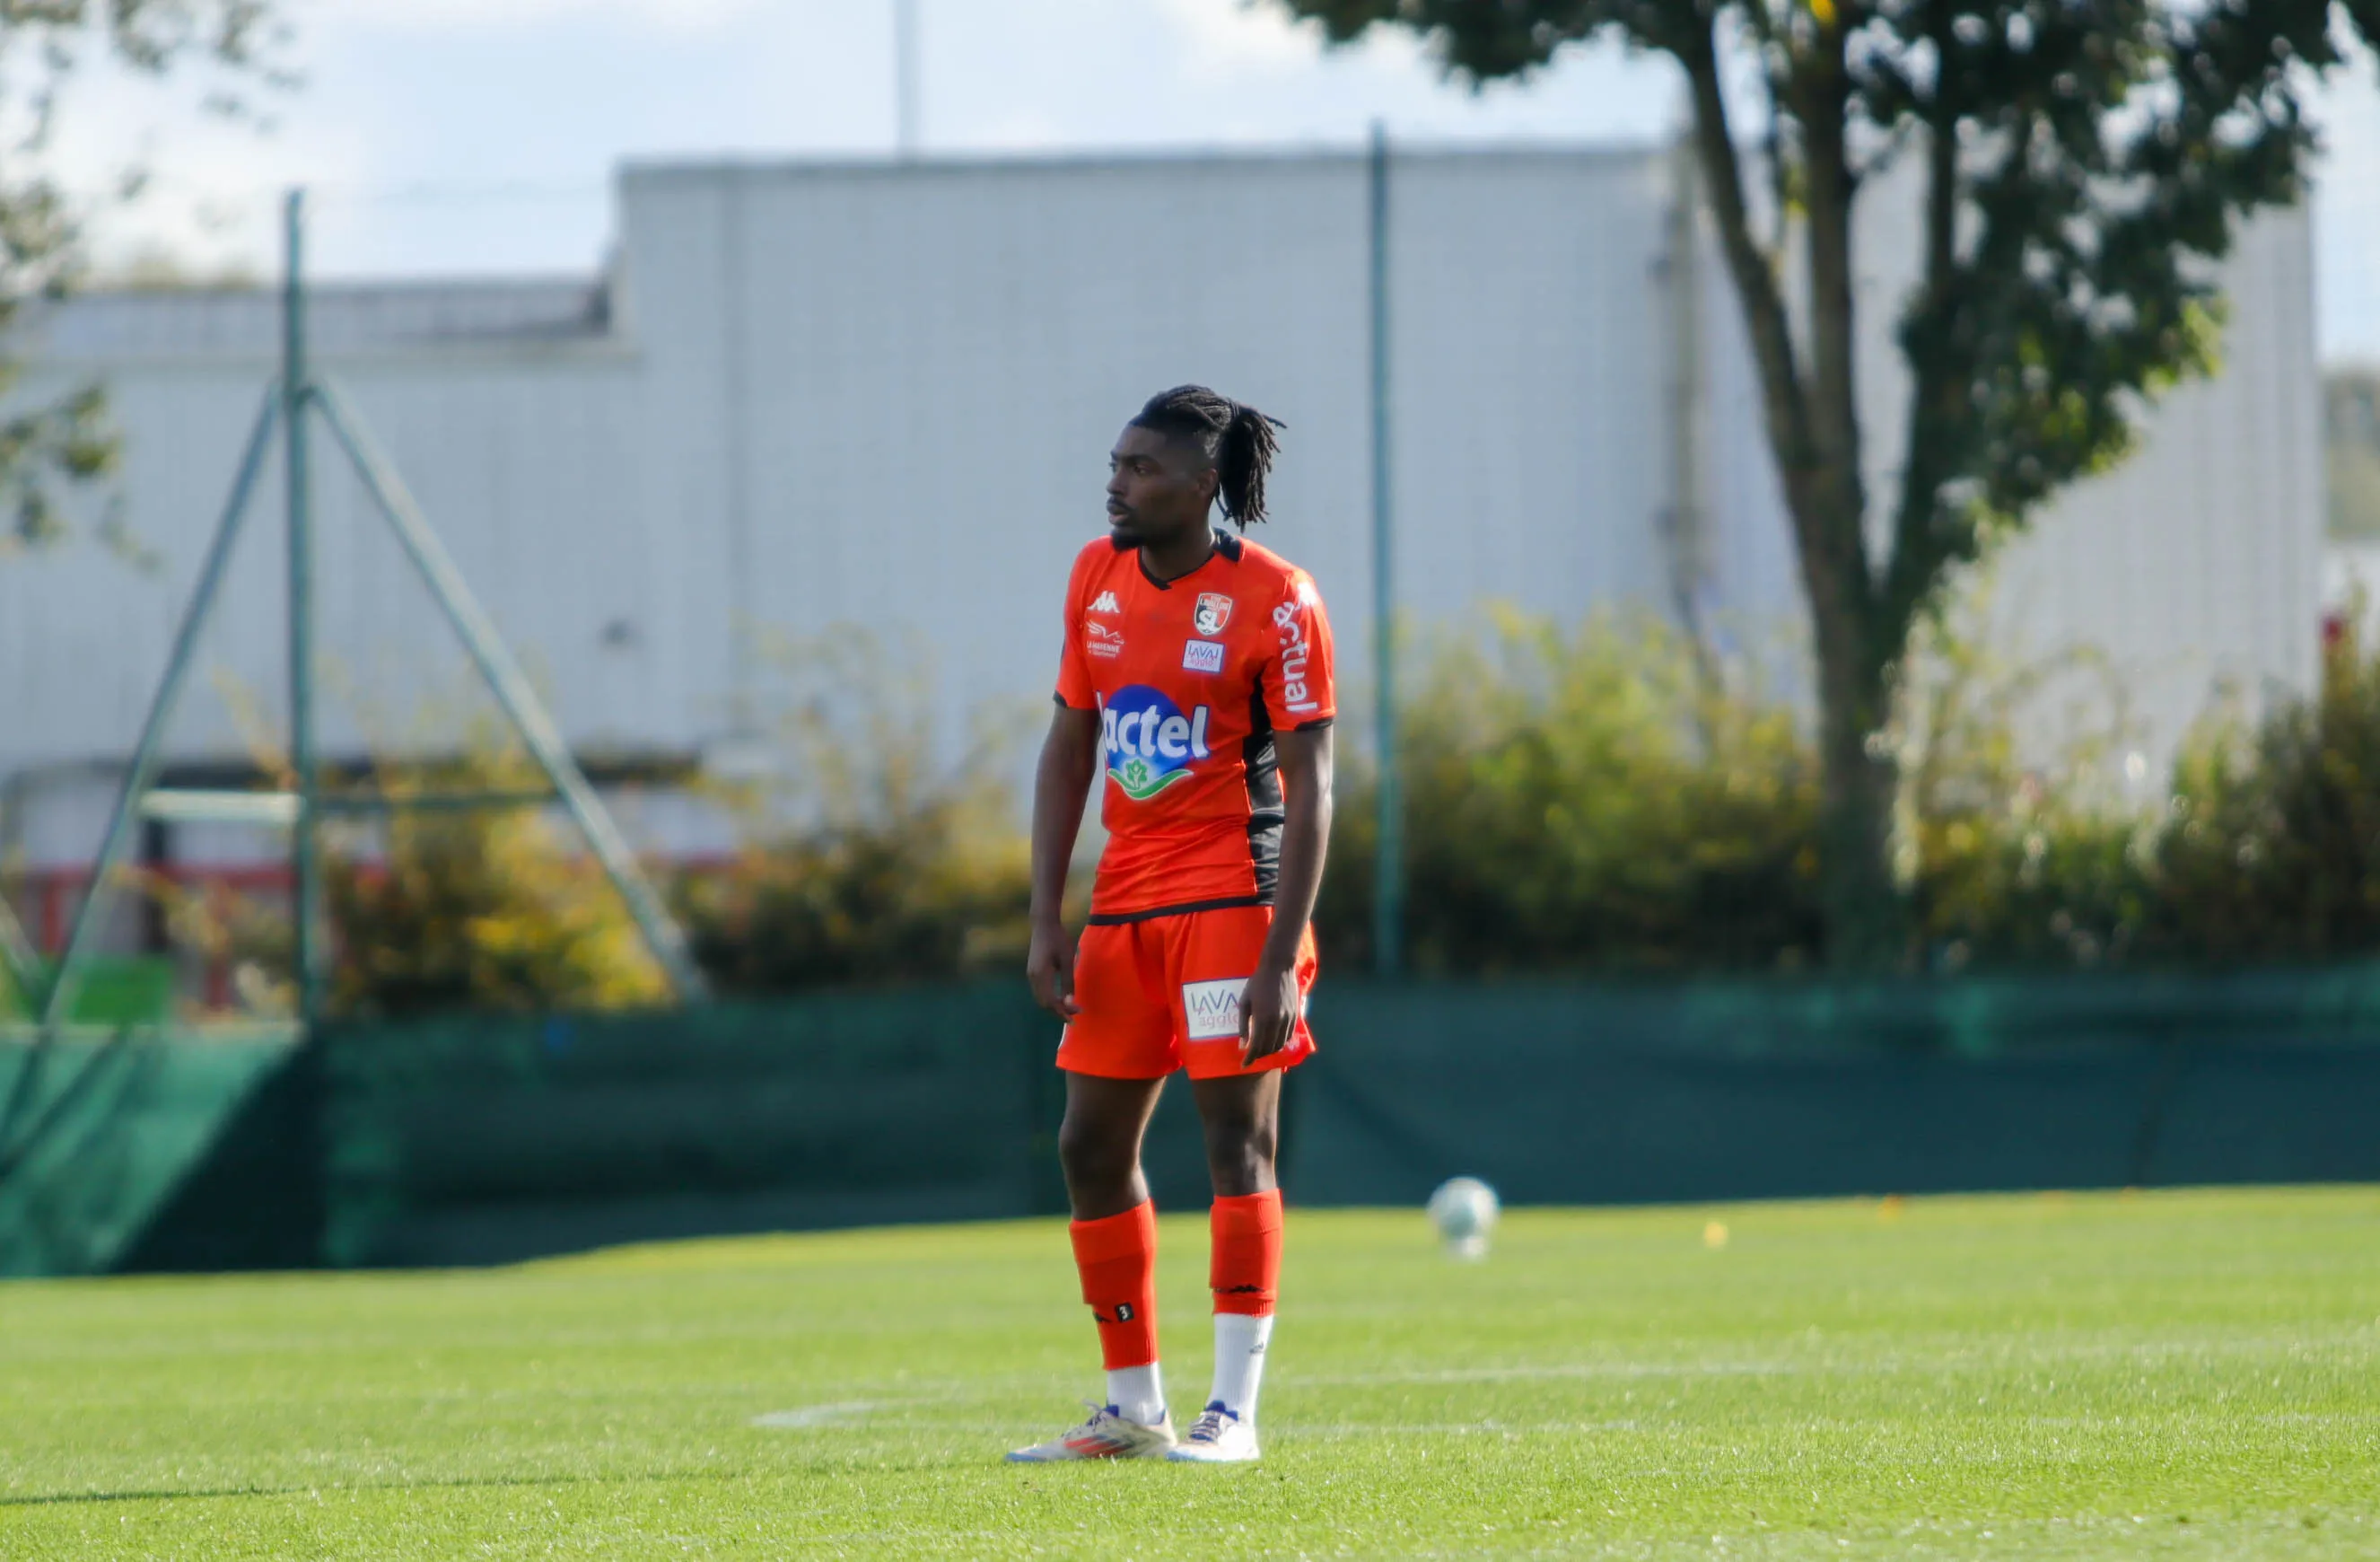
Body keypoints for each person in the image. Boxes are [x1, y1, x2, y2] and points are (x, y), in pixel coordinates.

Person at [1006, 385, 1335, 1466]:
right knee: (1088, 1145)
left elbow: (1312, 782)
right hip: (1126, 909)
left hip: (1234, 902)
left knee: (1236, 1143)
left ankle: (1232, 1412)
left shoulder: (1278, 599)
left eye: (1143, 469)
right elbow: (1069, 750)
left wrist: (1282, 955)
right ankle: (1132, 1406)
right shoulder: (1094, 576)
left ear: (1203, 486)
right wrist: (1048, 916)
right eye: (1114, 463)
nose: (1118, 483)